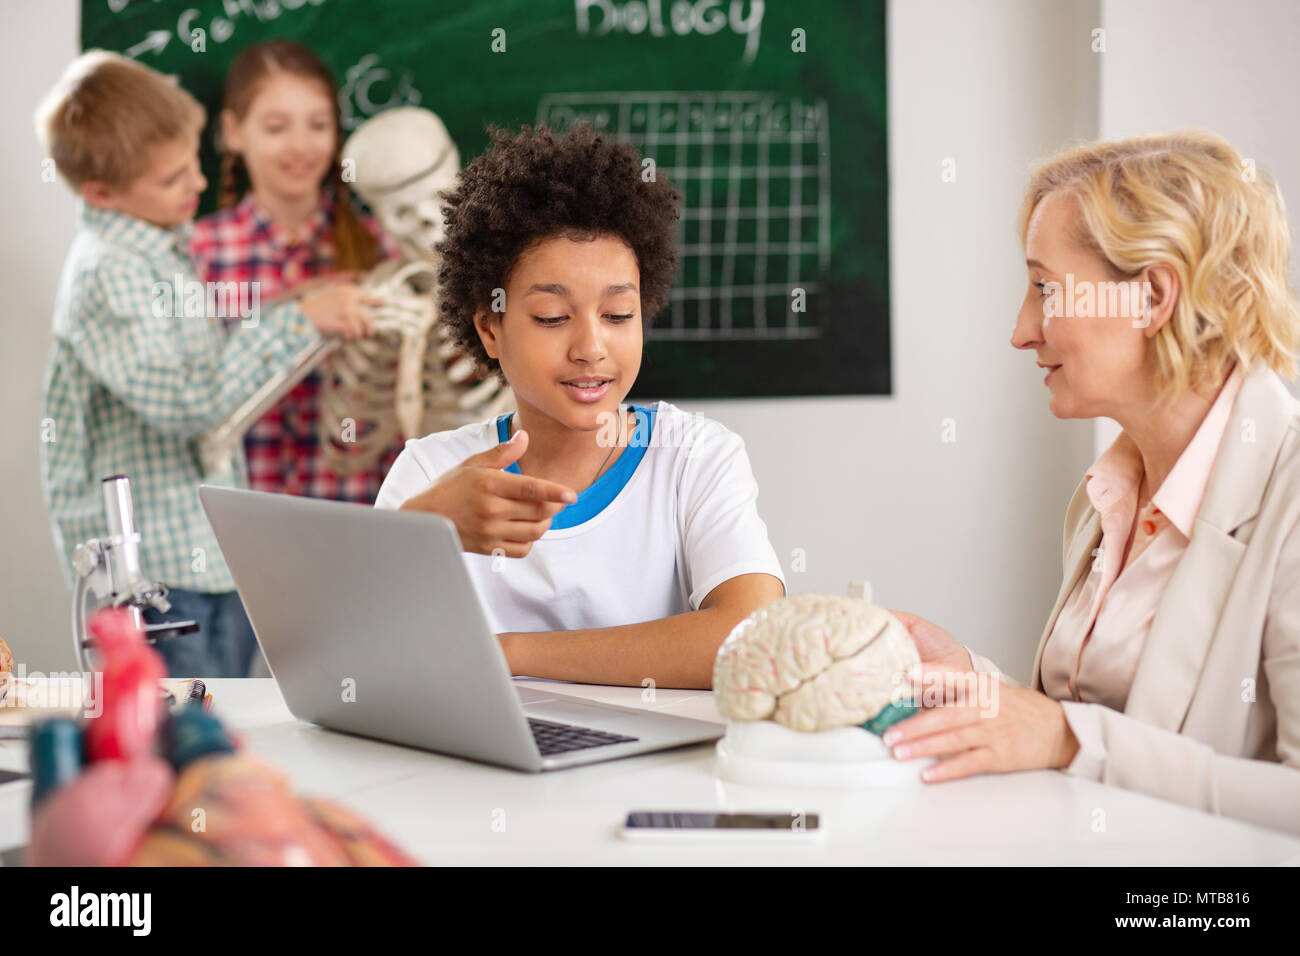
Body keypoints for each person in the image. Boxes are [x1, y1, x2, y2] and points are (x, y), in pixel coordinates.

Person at [887, 130, 1300, 835]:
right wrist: (975, 683)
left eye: (1045, 289)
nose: (1021, 330)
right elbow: (1104, 732)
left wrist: (1065, 738)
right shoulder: (1107, 490)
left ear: (1152, 296)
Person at [374, 124, 786, 689]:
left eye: (618, 316)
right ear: (490, 329)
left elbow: (751, 636)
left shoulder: (693, 457)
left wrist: (506, 653)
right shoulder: (430, 473)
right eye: (552, 317)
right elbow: (363, 657)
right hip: (475, 772)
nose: (591, 348)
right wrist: (428, 526)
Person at [36, 51, 376, 678]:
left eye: (194, 164)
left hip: (208, 556)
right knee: (178, 740)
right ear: (102, 193)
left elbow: (206, 361)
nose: (197, 183)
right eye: (173, 178)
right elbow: (189, 402)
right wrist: (300, 323)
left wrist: (284, 309)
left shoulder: (159, 248)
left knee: (220, 728)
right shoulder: (109, 273)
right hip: (155, 574)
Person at [190, 38, 401, 505]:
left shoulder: (380, 247)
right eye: (276, 127)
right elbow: (191, 390)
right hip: (240, 525)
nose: (301, 146)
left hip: (359, 512)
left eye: (318, 125)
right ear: (233, 131)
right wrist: (298, 313)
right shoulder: (198, 254)